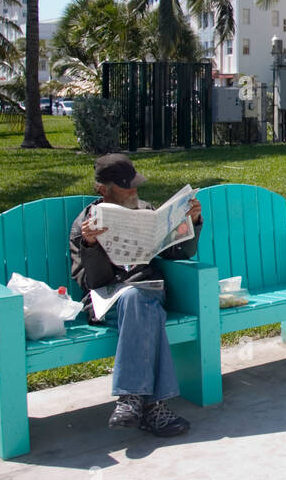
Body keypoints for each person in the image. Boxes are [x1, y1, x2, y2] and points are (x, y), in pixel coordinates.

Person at [69, 154, 202, 438]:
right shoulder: (85, 226)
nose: (133, 191)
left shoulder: (146, 210)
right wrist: (90, 245)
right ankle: (154, 407)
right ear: (103, 189)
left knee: (140, 299)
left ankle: (132, 399)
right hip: (109, 302)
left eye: (134, 184)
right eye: (124, 186)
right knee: (136, 300)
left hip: (147, 293)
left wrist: (192, 222)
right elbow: (90, 281)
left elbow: (179, 253)